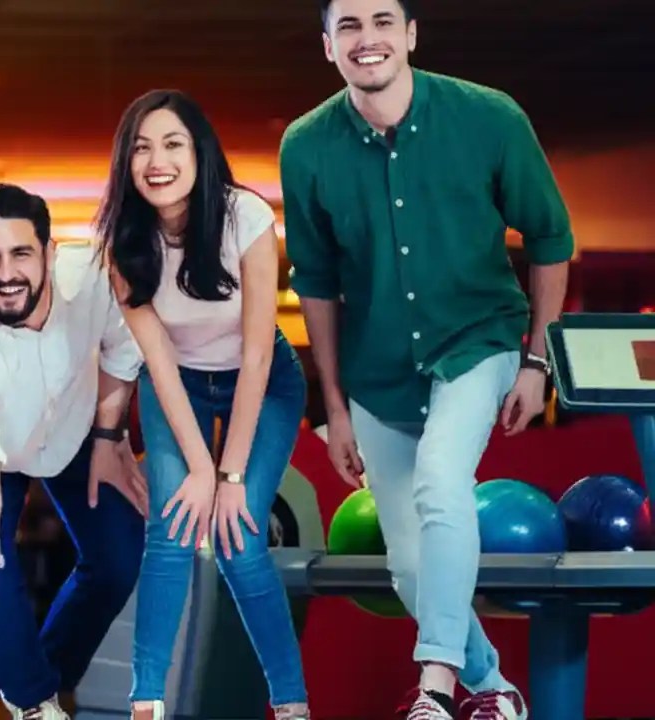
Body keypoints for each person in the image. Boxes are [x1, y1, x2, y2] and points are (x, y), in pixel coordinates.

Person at [280, 1, 573, 718]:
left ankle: (434, 690)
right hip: (377, 370)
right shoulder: (306, 145)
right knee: (410, 566)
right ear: (327, 46)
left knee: (443, 481)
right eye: (348, 26)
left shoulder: (490, 117)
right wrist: (337, 408)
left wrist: (538, 363)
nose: (367, 38)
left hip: (479, 338)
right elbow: (315, 284)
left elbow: (550, 238)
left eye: (383, 21)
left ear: (411, 35)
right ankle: (495, 690)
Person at [95, 89, 311, 720]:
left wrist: (230, 475)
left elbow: (259, 353)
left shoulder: (246, 215)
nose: (156, 161)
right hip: (179, 386)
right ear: (126, 165)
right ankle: (147, 702)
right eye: (141, 148)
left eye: (172, 144)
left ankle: (292, 704)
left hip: (262, 382)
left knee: (239, 538)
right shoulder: (124, 242)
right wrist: (197, 467)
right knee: (169, 533)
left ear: (199, 152)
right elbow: (157, 363)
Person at [0, 183, 148, 720]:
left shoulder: (94, 276)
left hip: (74, 433)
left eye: (22, 253)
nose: (6, 274)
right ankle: (33, 704)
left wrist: (108, 438)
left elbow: (124, 353)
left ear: (50, 252)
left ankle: (47, 679)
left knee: (120, 558)